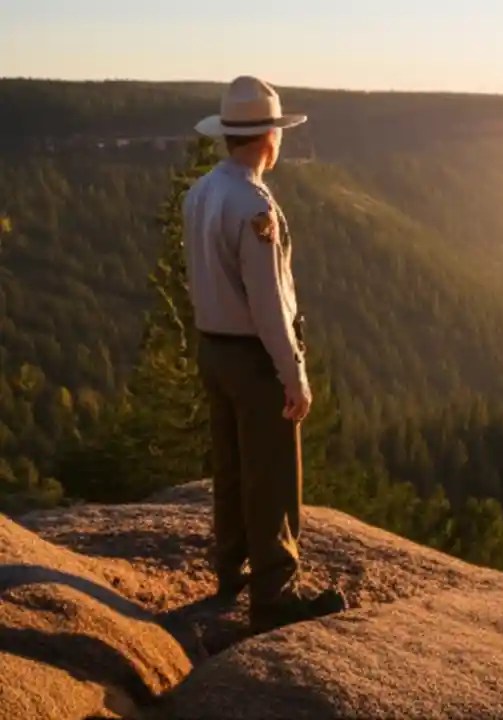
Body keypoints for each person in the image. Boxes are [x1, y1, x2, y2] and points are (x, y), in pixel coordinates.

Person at [185, 76, 346, 633]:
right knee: (273, 476)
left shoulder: (201, 191)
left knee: (231, 469)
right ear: (269, 139)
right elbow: (270, 303)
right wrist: (293, 374)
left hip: (212, 349)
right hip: (253, 359)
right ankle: (275, 597)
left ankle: (230, 571)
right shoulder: (255, 205)